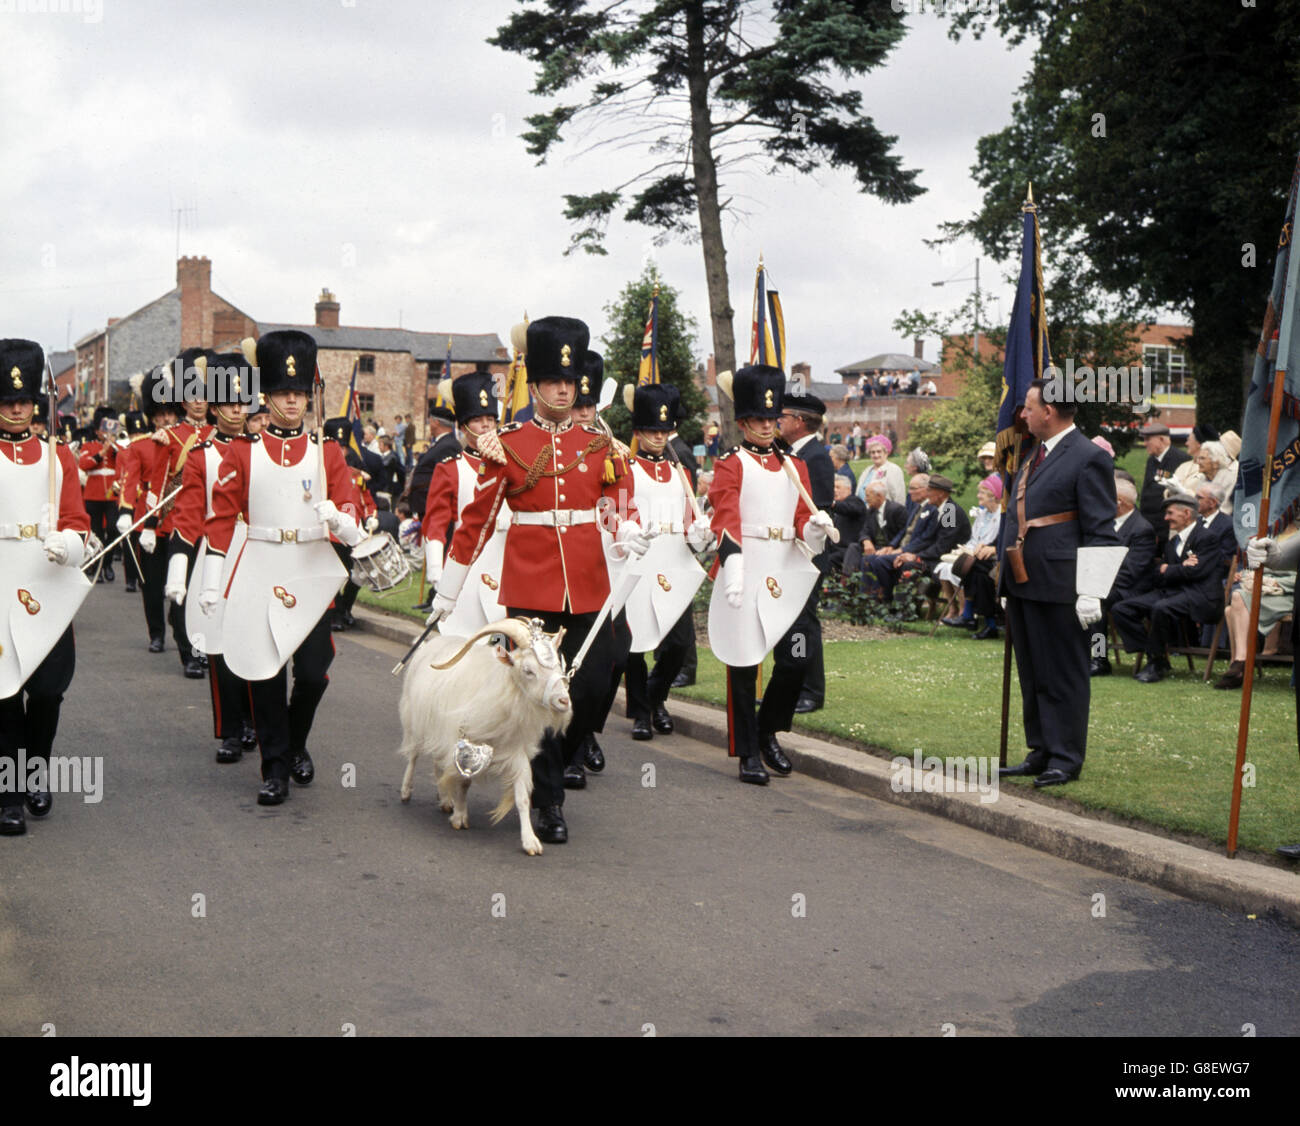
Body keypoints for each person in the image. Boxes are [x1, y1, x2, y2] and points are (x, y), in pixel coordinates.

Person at [428, 317, 648, 844]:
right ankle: (549, 802)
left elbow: (617, 505)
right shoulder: (509, 442)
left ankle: (566, 759)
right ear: (536, 383)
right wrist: (448, 589)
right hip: (530, 591)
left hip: (589, 582)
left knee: (597, 680)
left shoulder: (600, 444)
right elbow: (476, 523)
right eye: (554, 381)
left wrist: (629, 528)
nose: (563, 389)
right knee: (539, 695)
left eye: (570, 383)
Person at [200, 330, 364, 806]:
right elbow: (219, 521)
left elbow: (354, 520)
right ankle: (275, 766)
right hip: (262, 566)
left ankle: (295, 741)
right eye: (282, 393)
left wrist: (341, 518)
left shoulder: (328, 452)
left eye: (298, 393)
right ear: (267, 397)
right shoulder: (242, 452)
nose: (291, 402)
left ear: (310, 395)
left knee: (314, 670)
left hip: (311, 568)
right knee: (266, 673)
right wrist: (212, 584)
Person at [706, 364, 833, 784]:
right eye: (758, 420)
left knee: (796, 657)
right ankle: (746, 751)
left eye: (771, 419)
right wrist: (734, 566)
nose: (765, 426)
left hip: (785, 570)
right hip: (747, 565)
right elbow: (725, 517)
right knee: (743, 664)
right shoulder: (731, 463)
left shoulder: (795, 464)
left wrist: (812, 528)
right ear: (743, 422)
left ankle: (768, 730)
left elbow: (801, 515)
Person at [998, 379, 1122, 787]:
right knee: (1033, 671)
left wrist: (1091, 589)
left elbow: (1101, 529)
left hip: (1062, 584)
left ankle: (1065, 756)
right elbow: (1016, 519)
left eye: (1029, 407)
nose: (1023, 415)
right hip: (1024, 581)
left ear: (1049, 411)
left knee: (1064, 674)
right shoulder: (1036, 454)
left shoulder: (1087, 457)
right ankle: (1041, 749)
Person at [0, 339, 92, 836]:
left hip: (45, 583)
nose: (16, 408)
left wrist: (69, 545)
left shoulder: (59, 458)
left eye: (23, 400)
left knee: (49, 691)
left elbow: (78, 520)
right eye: (7, 400)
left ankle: (37, 770)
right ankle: (9, 794)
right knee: (4, 695)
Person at [165, 350, 258, 763]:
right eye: (227, 403)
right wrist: (178, 570)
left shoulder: (264, 449)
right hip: (217, 553)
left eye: (242, 403)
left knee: (257, 641)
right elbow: (187, 516)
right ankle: (231, 730)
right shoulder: (200, 454)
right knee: (219, 647)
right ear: (215, 406)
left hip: (258, 553)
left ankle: (260, 720)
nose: (235, 410)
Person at [621, 383, 711, 741]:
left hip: (675, 561)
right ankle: (642, 712)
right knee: (636, 645)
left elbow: (691, 518)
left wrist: (701, 533)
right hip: (641, 560)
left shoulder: (680, 472)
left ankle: (656, 697)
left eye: (664, 430)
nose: (659, 437)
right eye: (651, 431)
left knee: (677, 644)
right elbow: (620, 514)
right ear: (639, 432)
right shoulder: (627, 468)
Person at [143, 347, 216, 679]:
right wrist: (150, 524)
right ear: (183, 401)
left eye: (204, 396)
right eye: (193, 397)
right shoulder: (171, 436)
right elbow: (158, 483)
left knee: (206, 591)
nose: (199, 403)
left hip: (214, 523)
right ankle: (189, 654)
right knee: (184, 589)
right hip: (180, 523)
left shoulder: (221, 435)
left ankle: (200, 649)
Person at [421, 370, 509, 640]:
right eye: (477, 419)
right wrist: (438, 572)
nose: (485, 425)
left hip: (506, 567)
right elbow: (435, 524)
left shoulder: (512, 464)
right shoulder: (450, 469)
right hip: (465, 568)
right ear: (463, 425)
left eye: (490, 419)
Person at [1111, 494, 1226, 683]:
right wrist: (1176, 568)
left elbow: (1196, 573)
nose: (1165, 518)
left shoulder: (1207, 538)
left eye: (1170, 513)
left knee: (1160, 608)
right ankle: (1150, 654)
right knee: (1121, 609)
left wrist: (1169, 569)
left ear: (1187, 513)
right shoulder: (1172, 543)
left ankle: (1154, 662)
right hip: (1172, 592)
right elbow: (1157, 574)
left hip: (1200, 596)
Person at [116, 364, 183, 658]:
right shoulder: (140, 446)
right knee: (152, 583)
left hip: (183, 518)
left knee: (182, 579)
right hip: (151, 521)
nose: (166, 418)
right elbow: (131, 481)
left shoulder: (187, 442)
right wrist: (126, 512)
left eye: (170, 413)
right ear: (152, 417)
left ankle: (182, 630)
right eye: (160, 414)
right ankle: (156, 632)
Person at [778, 391, 834, 714]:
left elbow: (821, 513)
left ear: (799, 421)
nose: (777, 422)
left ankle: (811, 689)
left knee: (804, 622)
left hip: (809, 553)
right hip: (790, 551)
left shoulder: (816, 457)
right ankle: (792, 685)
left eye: (782, 417)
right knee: (791, 622)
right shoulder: (790, 454)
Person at [1088, 476, 1157, 676]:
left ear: (1120, 502)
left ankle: (1099, 658)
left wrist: (1099, 584)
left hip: (1131, 587)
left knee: (1097, 603)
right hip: (1105, 583)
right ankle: (1091, 655)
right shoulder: (1104, 524)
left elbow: (1132, 569)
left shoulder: (1142, 529)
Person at [936, 475, 1002, 633]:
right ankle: (957, 611)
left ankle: (963, 613)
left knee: (962, 567)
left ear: (940, 493)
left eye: (930, 491)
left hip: (967, 553)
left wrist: (935, 551)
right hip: (966, 552)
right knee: (950, 567)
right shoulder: (932, 508)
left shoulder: (948, 508)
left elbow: (947, 536)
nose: (926, 494)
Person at [79, 406, 120, 583]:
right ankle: (96, 565)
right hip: (93, 495)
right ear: (97, 430)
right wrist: (102, 451)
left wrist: (114, 447)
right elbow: (84, 464)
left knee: (112, 529)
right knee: (96, 533)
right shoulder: (88, 446)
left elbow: (126, 462)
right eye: (103, 429)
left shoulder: (117, 447)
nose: (105, 433)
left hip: (112, 495)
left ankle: (108, 563)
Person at [1138, 421, 1190, 552]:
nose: (1145, 444)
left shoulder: (1180, 459)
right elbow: (1147, 490)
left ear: (1161, 439)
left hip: (1166, 524)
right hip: (1148, 523)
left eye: (1148, 439)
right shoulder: (1152, 460)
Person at [855, 434, 904, 505]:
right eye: (872, 452)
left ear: (886, 453)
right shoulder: (867, 470)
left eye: (879, 451)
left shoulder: (894, 470)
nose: (876, 455)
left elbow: (898, 497)